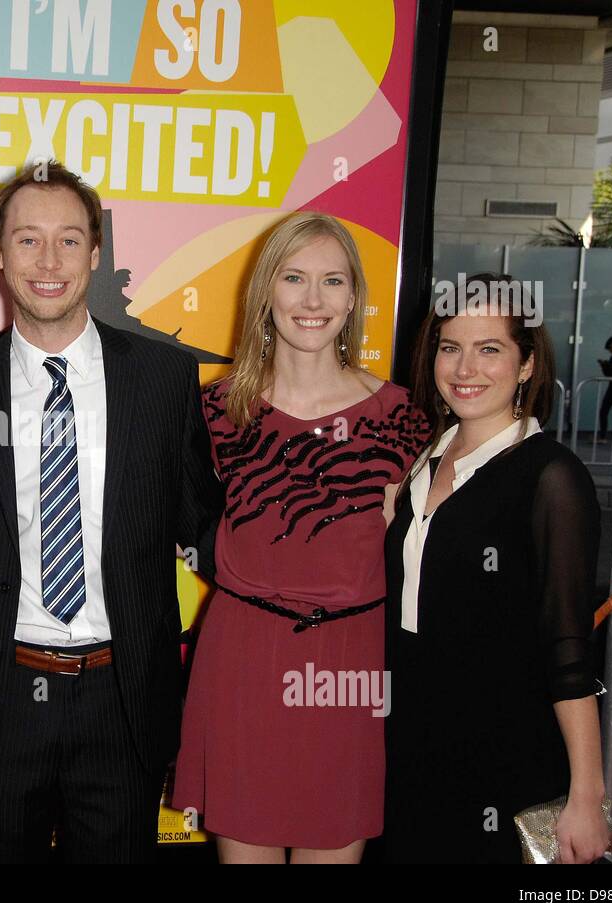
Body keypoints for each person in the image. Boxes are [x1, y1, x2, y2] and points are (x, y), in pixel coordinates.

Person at [0, 161, 222, 863]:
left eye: (68, 240)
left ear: (95, 251)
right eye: (27, 240)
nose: (48, 261)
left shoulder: (163, 379)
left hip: (123, 698)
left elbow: (200, 523)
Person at [170, 212, 430, 863]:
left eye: (332, 281)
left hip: (351, 663)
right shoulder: (216, 410)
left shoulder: (403, 418)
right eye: (294, 277)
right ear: (267, 291)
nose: (313, 300)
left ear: (353, 297)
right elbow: (188, 520)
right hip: (243, 659)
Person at [382, 273, 610, 864]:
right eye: (451, 347)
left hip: (502, 753)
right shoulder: (418, 466)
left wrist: (586, 796)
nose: (465, 369)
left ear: (527, 364)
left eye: (490, 349)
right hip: (405, 748)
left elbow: (568, 650)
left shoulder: (551, 477)